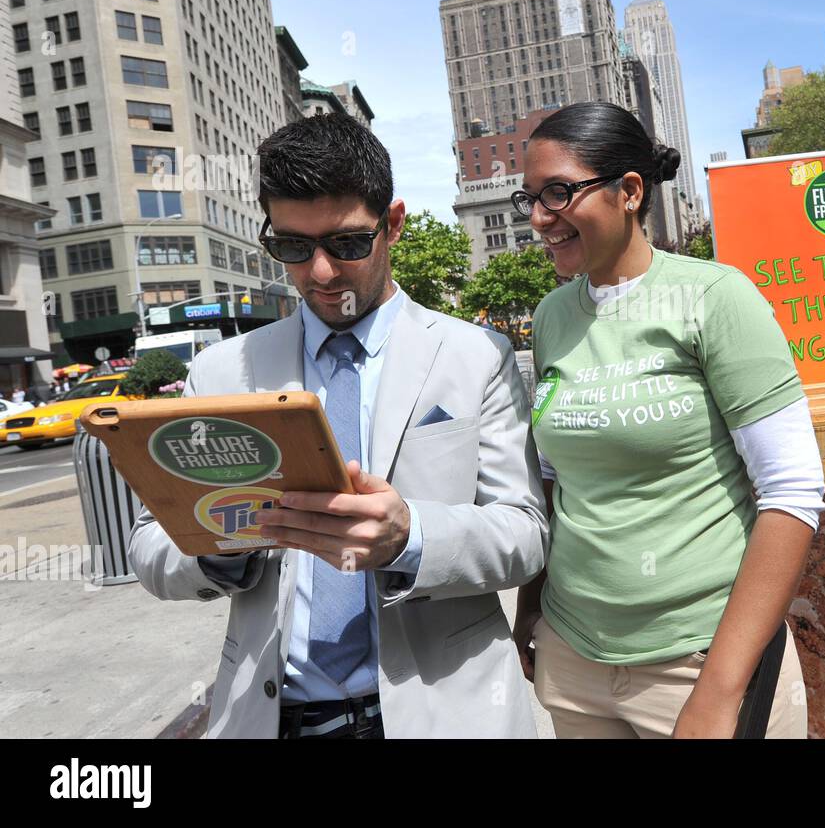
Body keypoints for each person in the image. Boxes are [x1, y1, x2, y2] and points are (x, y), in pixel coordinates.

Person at [129, 113, 547, 738]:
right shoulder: (220, 373)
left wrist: (412, 538)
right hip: (274, 718)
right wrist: (218, 548)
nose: (321, 272)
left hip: (444, 714)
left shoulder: (476, 355)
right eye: (294, 247)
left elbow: (526, 535)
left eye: (347, 244)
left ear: (394, 224)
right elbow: (150, 546)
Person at [512, 102, 825, 738]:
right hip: (574, 661)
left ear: (630, 191)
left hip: (701, 662)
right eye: (532, 199)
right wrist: (531, 609)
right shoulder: (550, 317)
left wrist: (719, 689)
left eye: (559, 192)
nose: (541, 217)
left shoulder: (716, 297)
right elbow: (554, 478)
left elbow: (792, 493)